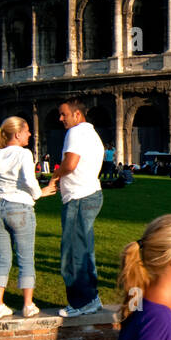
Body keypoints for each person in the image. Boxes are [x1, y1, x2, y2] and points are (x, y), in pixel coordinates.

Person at [0, 116, 56, 318]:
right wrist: (41, 193)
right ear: (17, 133)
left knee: (2, 258)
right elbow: (30, 181)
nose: (30, 134)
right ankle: (28, 305)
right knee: (25, 258)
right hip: (20, 207)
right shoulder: (24, 153)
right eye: (27, 130)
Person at [56, 97, 105, 317]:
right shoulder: (92, 134)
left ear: (77, 115)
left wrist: (54, 176)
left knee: (72, 253)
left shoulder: (75, 133)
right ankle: (91, 298)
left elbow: (70, 163)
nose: (60, 118)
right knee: (85, 250)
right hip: (91, 193)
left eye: (64, 114)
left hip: (78, 198)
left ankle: (80, 302)